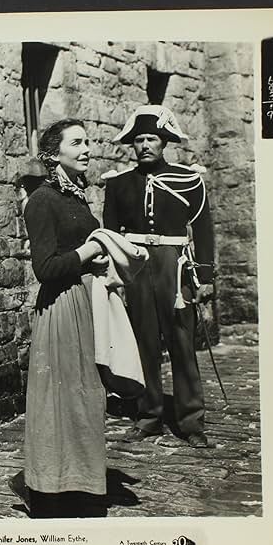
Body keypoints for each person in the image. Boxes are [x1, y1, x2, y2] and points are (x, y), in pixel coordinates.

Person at [102, 104, 215, 448]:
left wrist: (206, 276)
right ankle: (148, 414)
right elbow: (110, 231)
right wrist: (114, 273)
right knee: (143, 342)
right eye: (139, 140)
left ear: (164, 142)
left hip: (174, 264)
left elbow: (204, 229)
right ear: (133, 145)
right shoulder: (118, 183)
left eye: (152, 138)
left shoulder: (188, 179)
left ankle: (191, 420)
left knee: (181, 342)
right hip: (136, 266)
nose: (145, 145)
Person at [20, 118, 111, 518]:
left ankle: (83, 483)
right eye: (78, 142)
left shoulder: (77, 196)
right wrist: (91, 253)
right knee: (58, 399)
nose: (87, 148)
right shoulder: (42, 199)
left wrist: (101, 256)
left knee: (85, 396)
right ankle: (50, 489)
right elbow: (46, 268)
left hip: (84, 301)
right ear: (53, 154)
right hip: (60, 306)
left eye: (88, 141)